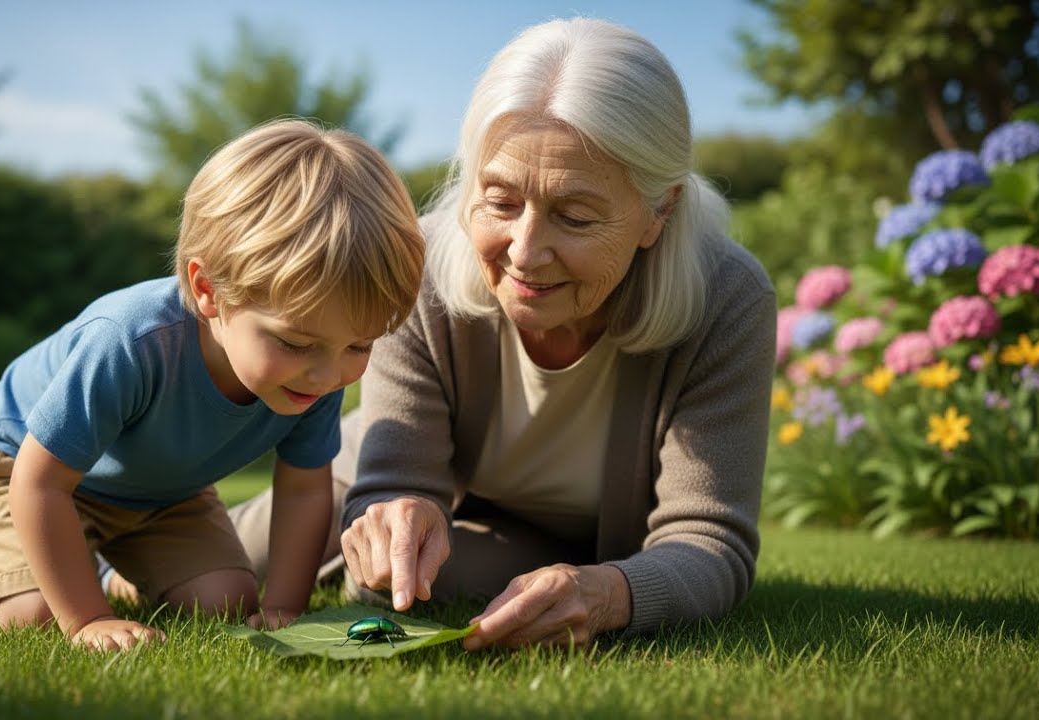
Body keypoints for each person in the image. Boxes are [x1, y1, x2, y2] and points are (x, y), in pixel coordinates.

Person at [229, 17, 777, 651]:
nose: (525, 251)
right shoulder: (425, 266)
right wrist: (396, 517)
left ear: (660, 212)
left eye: (574, 217)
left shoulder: (729, 299)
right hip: (371, 470)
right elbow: (397, 474)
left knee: (477, 584)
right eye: (500, 201)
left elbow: (710, 544)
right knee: (219, 566)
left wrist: (606, 592)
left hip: (560, 542)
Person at [0, 119, 425, 652]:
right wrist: (88, 619)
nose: (329, 375)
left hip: (163, 493)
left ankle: (105, 567)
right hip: (23, 463)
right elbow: (40, 484)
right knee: (36, 615)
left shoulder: (314, 374)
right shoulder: (131, 343)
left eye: (359, 346)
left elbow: (305, 489)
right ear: (208, 289)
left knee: (225, 602)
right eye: (294, 343)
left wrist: (283, 604)